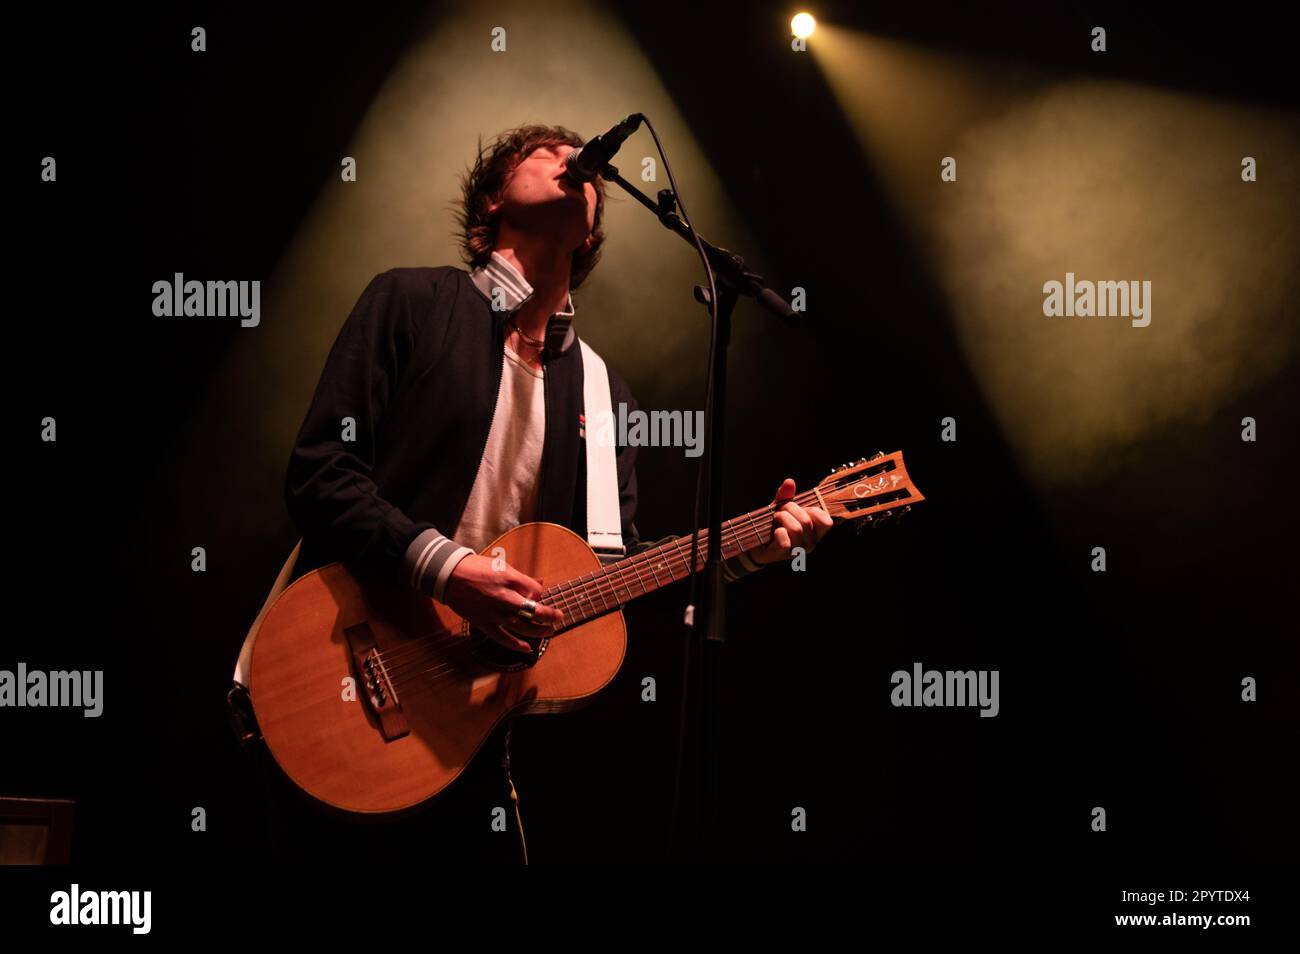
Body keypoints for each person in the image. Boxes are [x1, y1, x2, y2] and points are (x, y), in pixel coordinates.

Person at [262, 124, 833, 863]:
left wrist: (753, 546)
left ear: (590, 238)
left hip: (465, 740)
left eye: (586, 168)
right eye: (546, 154)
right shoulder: (410, 301)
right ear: (492, 203)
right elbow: (319, 474)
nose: (576, 164)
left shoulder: (601, 389)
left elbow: (611, 574)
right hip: (339, 676)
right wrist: (453, 574)